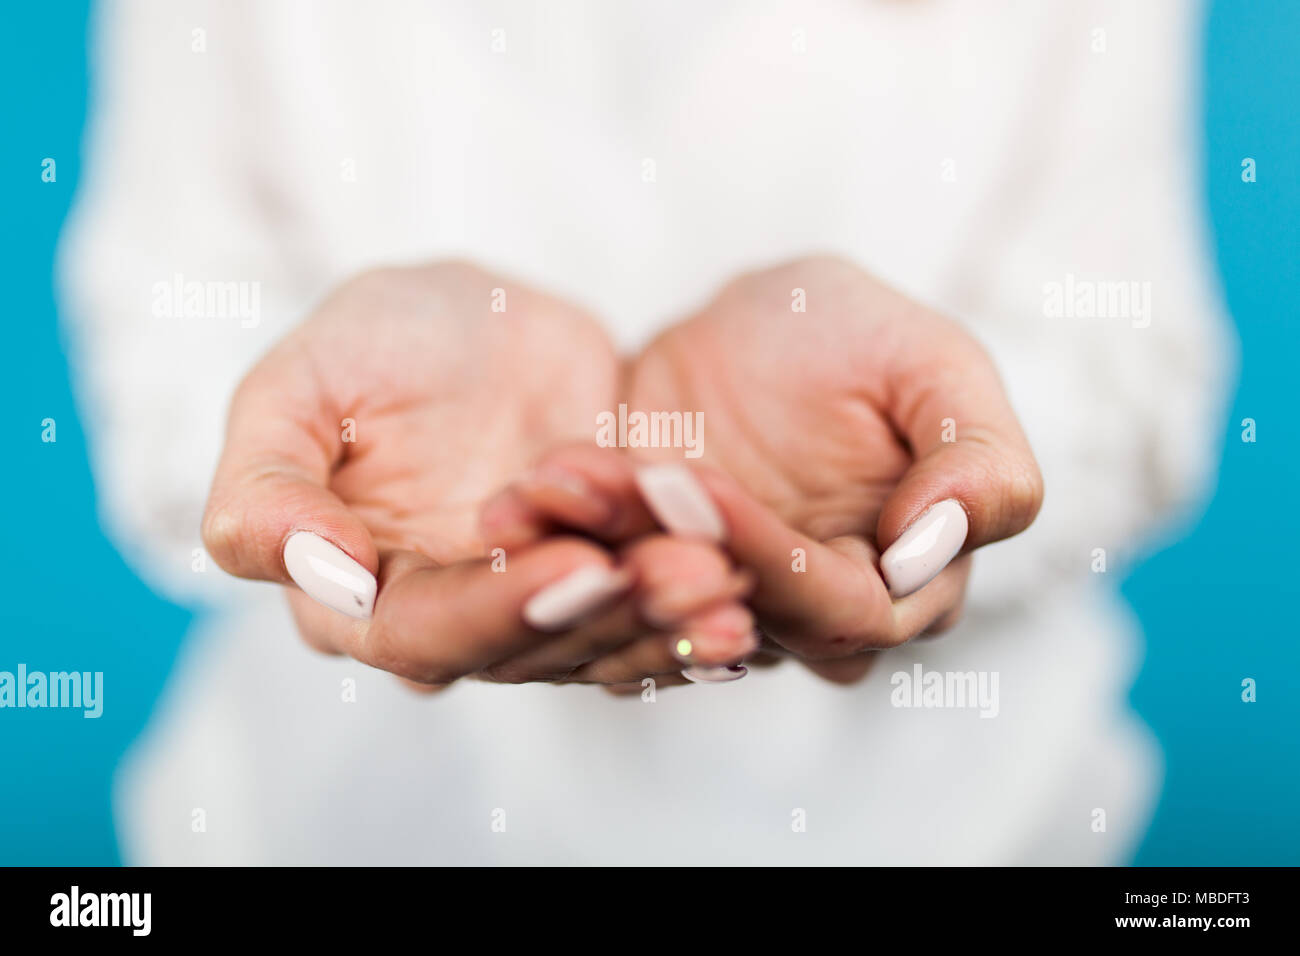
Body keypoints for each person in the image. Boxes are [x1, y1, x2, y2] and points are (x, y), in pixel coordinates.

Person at [60, 0, 1231, 864]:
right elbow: (165, 320)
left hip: (952, 821)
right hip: (337, 816)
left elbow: (1128, 350)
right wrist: (308, 463)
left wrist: (920, 464)